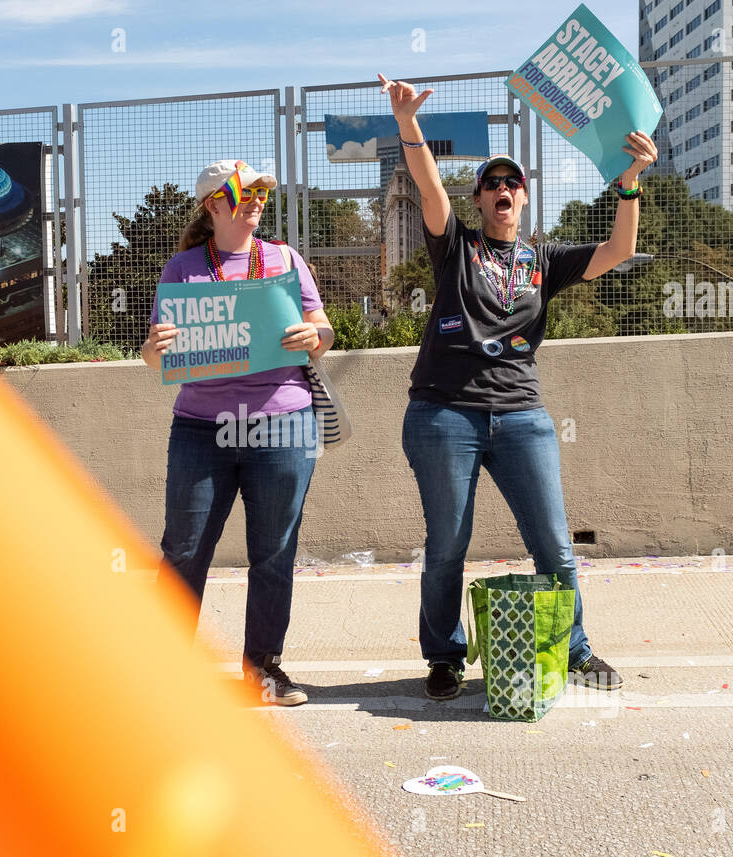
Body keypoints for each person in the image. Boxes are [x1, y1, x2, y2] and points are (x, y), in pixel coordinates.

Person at [379, 72, 657, 700]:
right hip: (444, 414)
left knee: (554, 545)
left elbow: (619, 247)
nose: (503, 190)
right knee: (448, 544)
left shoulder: (543, 260)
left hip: (522, 416)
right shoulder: (454, 246)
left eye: (513, 183)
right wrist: (408, 124)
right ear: (478, 200)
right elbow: (427, 186)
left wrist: (630, 183)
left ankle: (576, 649)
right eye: (492, 185)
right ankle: (445, 656)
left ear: (525, 199)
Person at [142, 160, 334, 706]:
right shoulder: (182, 269)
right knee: (183, 549)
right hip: (202, 427)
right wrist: (153, 352)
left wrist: (313, 335)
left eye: (261, 193)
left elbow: (323, 330)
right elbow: (158, 355)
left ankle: (264, 671)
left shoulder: (285, 259)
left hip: (283, 421)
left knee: (273, 550)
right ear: (213, 204)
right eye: (243, 192)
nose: (255, 200)